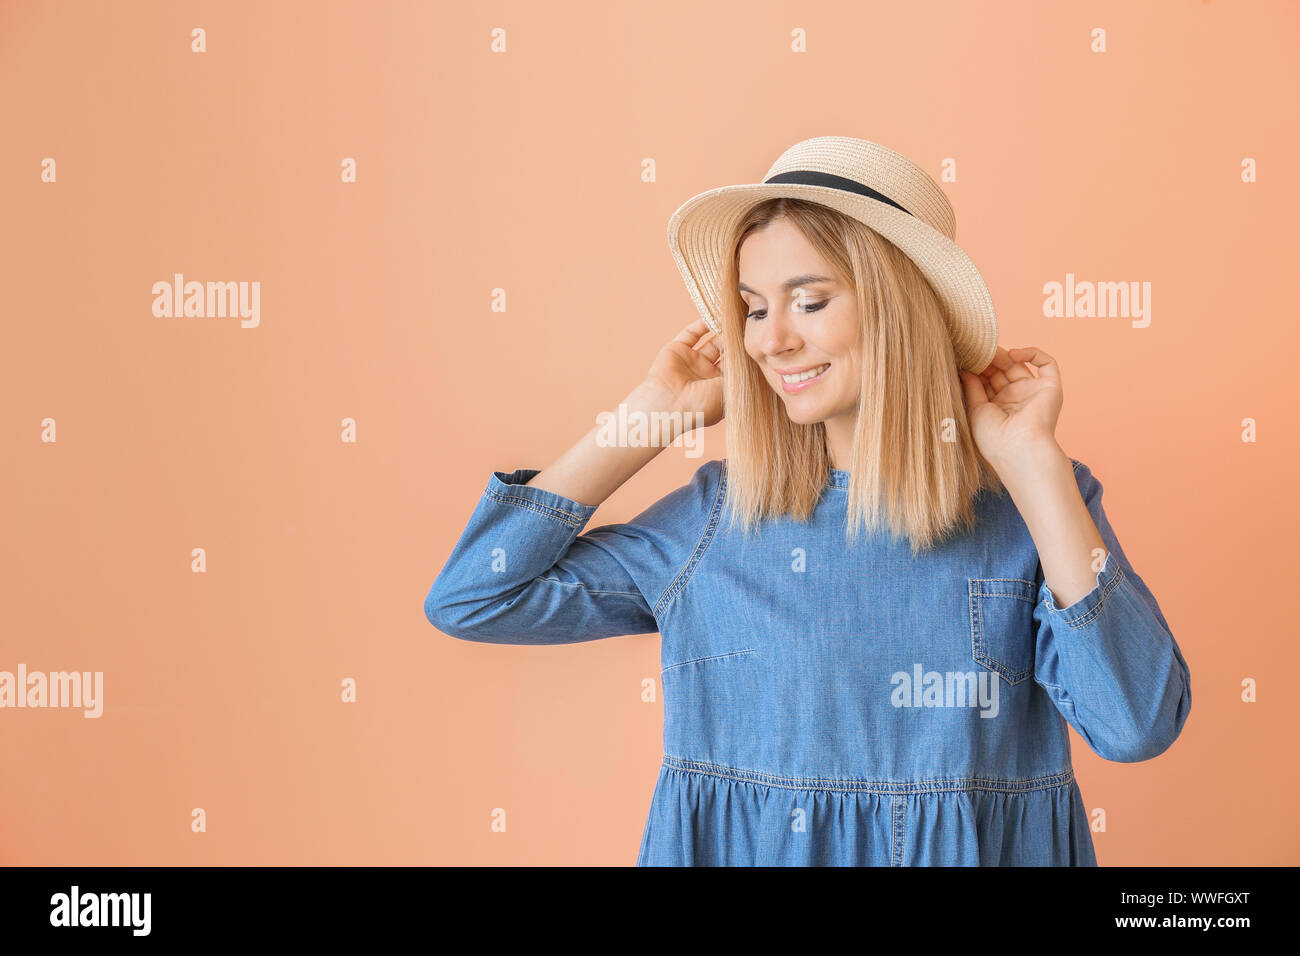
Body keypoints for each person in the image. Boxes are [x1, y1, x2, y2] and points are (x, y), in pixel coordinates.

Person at [424, 137, 1192, 866]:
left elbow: (1135, 725)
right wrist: (654, 411)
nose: (770, 341)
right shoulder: (719, 519)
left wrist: (1034, 465)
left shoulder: (1034, 506)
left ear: (901, 309)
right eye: (755, 309)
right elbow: (476, 596)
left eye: (810, 301)